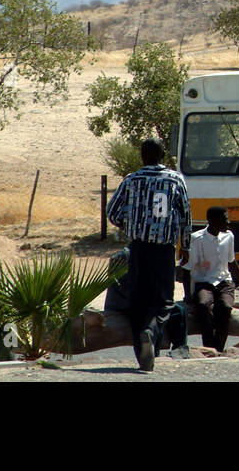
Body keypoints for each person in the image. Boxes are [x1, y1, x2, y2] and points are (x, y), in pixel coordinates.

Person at [105, 138, 191, 371]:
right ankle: (150, 333)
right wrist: (186, 246)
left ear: (142, 156)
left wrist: (129, 225)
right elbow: (185, 217)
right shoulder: (175, 179)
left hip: (138, 248)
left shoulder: (131, 180)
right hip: (164, 250)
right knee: (163, 302)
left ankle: (143, 356)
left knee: (138, 301)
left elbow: (111, 212)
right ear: (163, 156)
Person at [186, 206, 239, 352]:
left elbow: (232, 262)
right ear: (212, 221)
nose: (228, 222)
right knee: (203, 306)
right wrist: (187, 295)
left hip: (224, 282)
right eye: (224, 219)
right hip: (204, 282)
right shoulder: (196, 239)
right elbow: (186, 269)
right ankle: (209, 347)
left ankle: (218, 348)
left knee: (225, 307)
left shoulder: (229, 236)